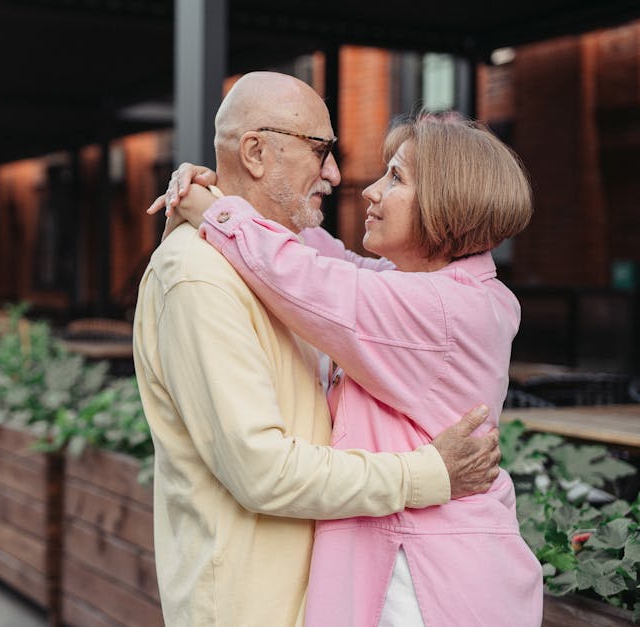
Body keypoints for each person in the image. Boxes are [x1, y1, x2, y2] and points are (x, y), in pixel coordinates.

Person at [133, 70, 503, 627]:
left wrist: (218, 207)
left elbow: (314, 273)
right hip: (251, 605)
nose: (339, 174)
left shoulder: (420, 302)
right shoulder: (201, 278)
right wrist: (215, 202)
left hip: (372, 586)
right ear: (255, 152)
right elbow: (262, 470)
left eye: (394, 177)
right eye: (321, 149)